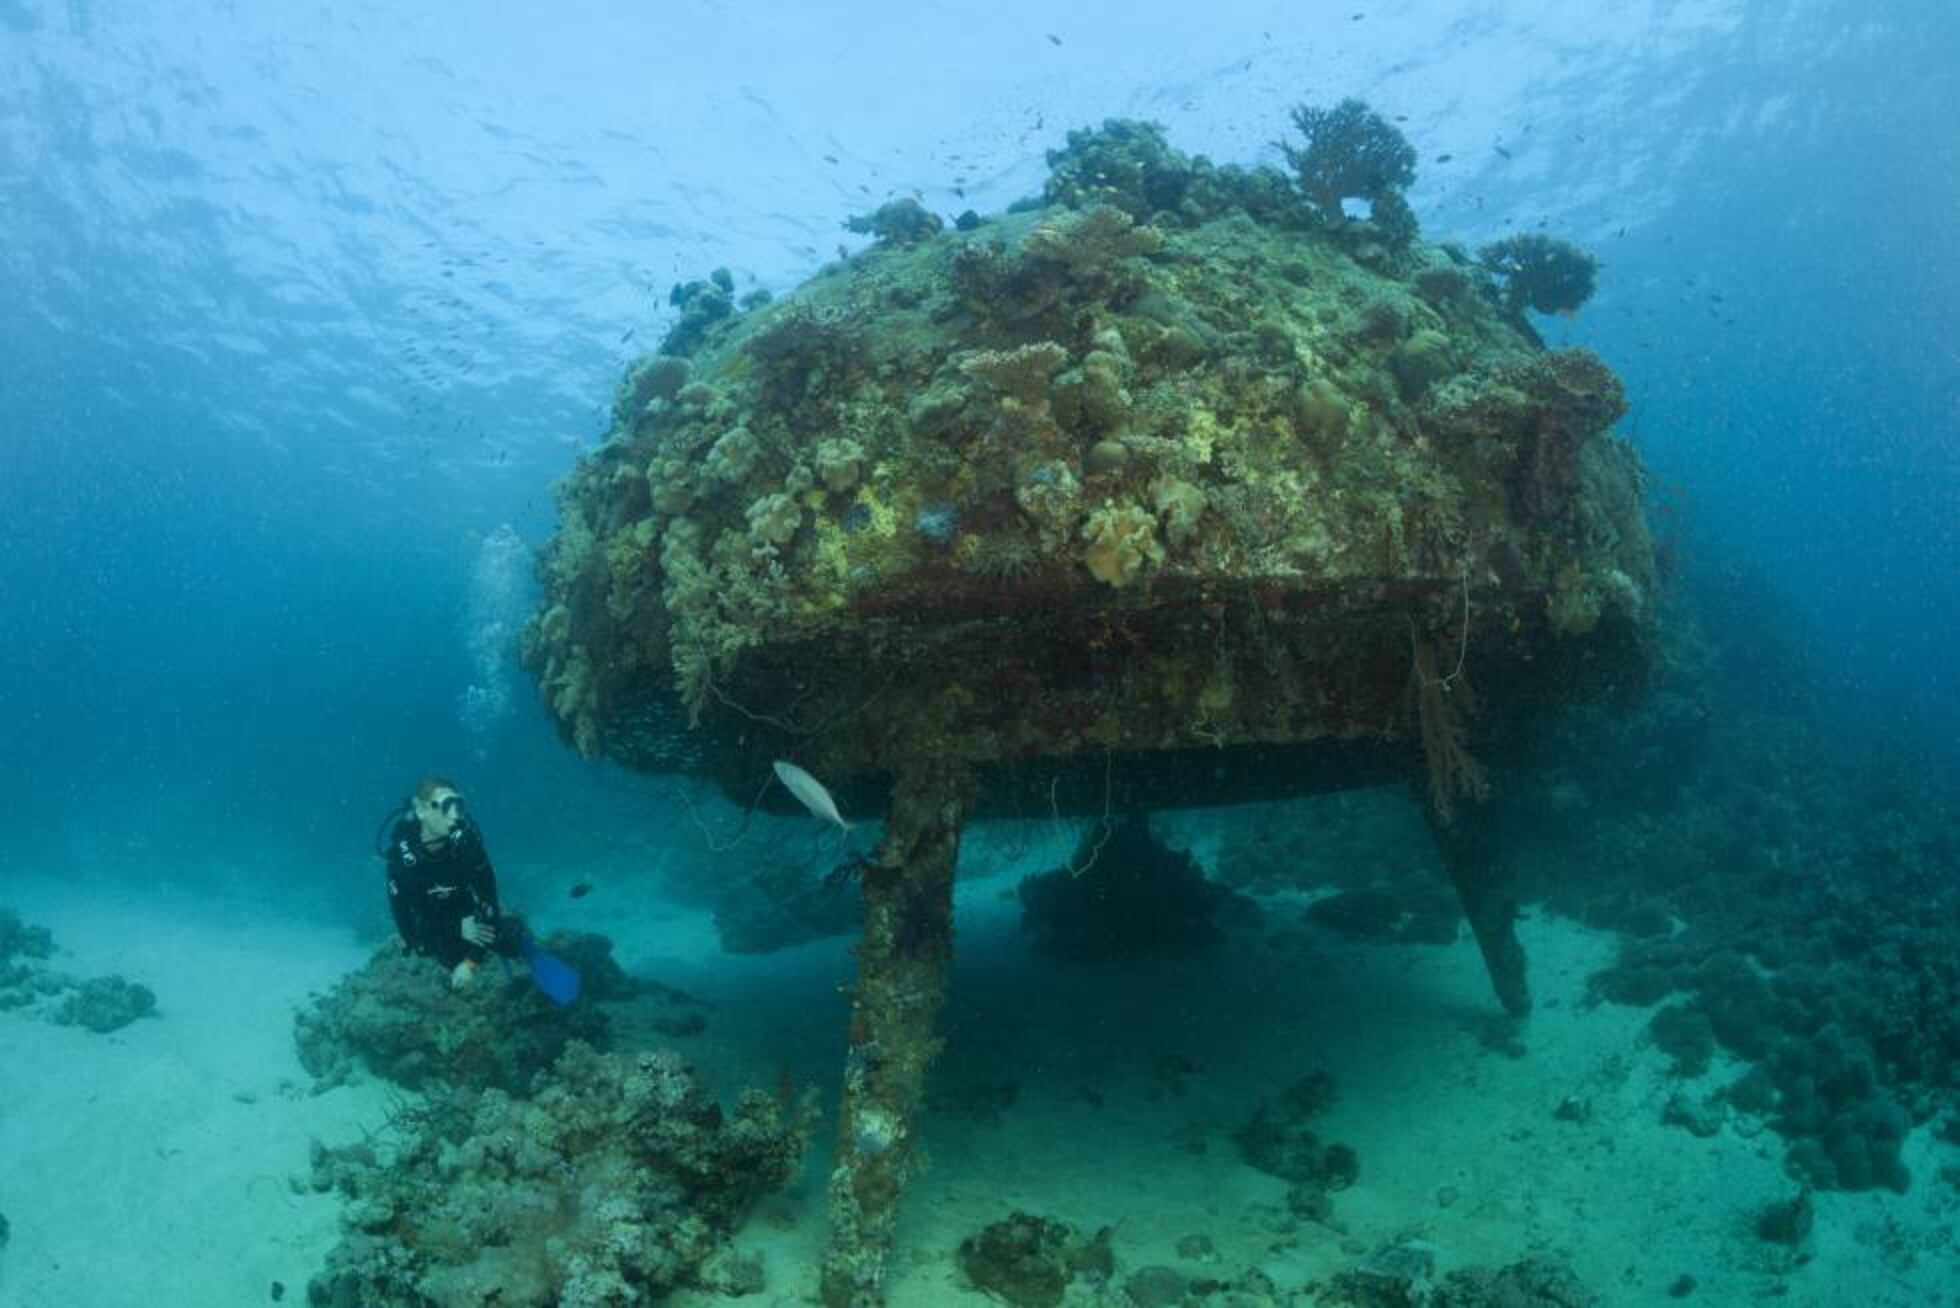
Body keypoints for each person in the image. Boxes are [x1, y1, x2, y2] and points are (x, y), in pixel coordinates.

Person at [381, 776, 525, 990]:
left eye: (458, 804)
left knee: (506, 942)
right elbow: (403, 913)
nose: (454, 815)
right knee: (442, 956)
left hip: (465, 908)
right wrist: (450, 930)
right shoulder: (402, 859)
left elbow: (489, 901)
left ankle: (514, 936)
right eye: (445, 806)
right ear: (421, 811)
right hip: (433, 919)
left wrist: (471, 963)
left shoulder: (468, 848)